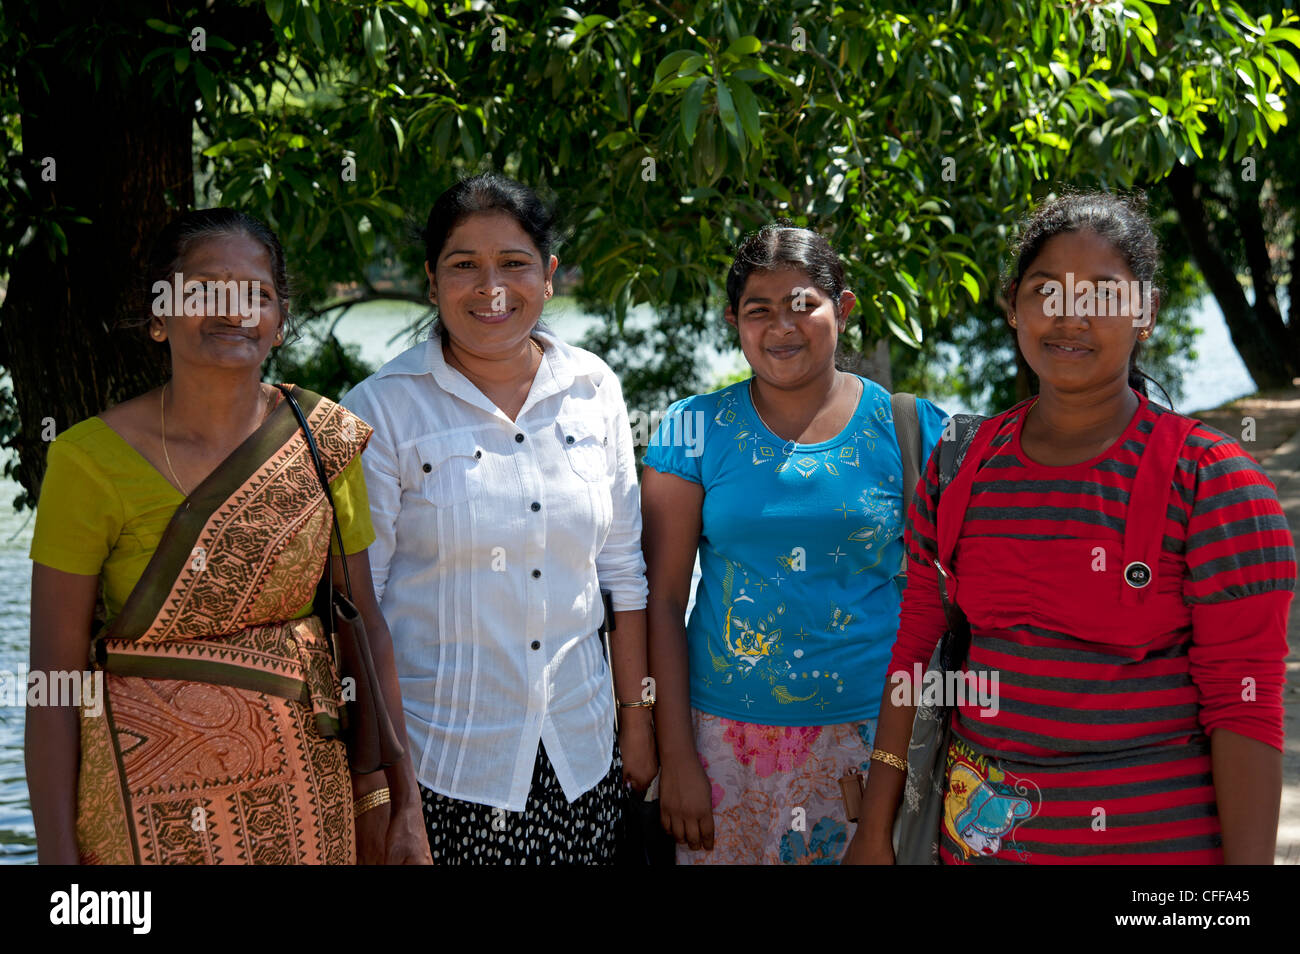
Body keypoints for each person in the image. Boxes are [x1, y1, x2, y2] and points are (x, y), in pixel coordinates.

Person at [846, 191, 1297, 865]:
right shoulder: (958, 469)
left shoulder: (1211, 483)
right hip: (973, 850)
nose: (1071, 316)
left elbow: (1244, 708)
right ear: (1012, 306)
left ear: (1146, 313)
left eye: (1105, 295)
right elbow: (916, 652)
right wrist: (874, 830)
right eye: (1046, 290)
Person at [25, 208, 430, 865]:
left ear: (278, 322)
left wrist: (405, 807)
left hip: (306, 808)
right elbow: (54, 677)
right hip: (135, 815)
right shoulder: (86, 462)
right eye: (204, 288)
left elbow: (367, 631)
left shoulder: (323, 442)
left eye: (257, 293)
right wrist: (58, 861)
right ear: (160, 314)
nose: (233, 308)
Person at [341, 173, 656, 864]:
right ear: (431, 282)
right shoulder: (381, 409)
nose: (491, 288)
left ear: (547, 276)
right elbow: (361, 614)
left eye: (513, 263)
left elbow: (624, 576)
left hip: (583, 754)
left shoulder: (594, 390)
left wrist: (637, 722)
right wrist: (386, 783)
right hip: (441, 765)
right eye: (464, 266)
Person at [641, 224, 948, 864]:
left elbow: (940, 600)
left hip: (872, 742)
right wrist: (676, 757)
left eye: (804, 304)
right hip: (722, 743)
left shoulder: (912, 427)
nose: (783, 325)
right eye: (759, 310)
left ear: (845, 306)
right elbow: (663, 600)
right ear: (734, 320)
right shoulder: (694, 428)